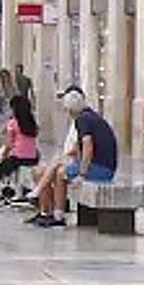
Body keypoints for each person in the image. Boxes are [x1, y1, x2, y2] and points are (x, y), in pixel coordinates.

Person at [30, 86, 119, 228]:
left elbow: (88, 146)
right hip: (106, 166)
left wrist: (82, 174)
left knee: (61, 173)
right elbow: (79, 147)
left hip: (101, 169)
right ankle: (52, 210)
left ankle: (57, 214)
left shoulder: (81, 120)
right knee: (60, 168)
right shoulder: (91, 117)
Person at [0, 94, 40, 206]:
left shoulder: (13, 123)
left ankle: (6, 193)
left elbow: (8, 145)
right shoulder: (32, 123)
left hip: (18, 158)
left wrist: (2, 157)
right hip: (33, 158)